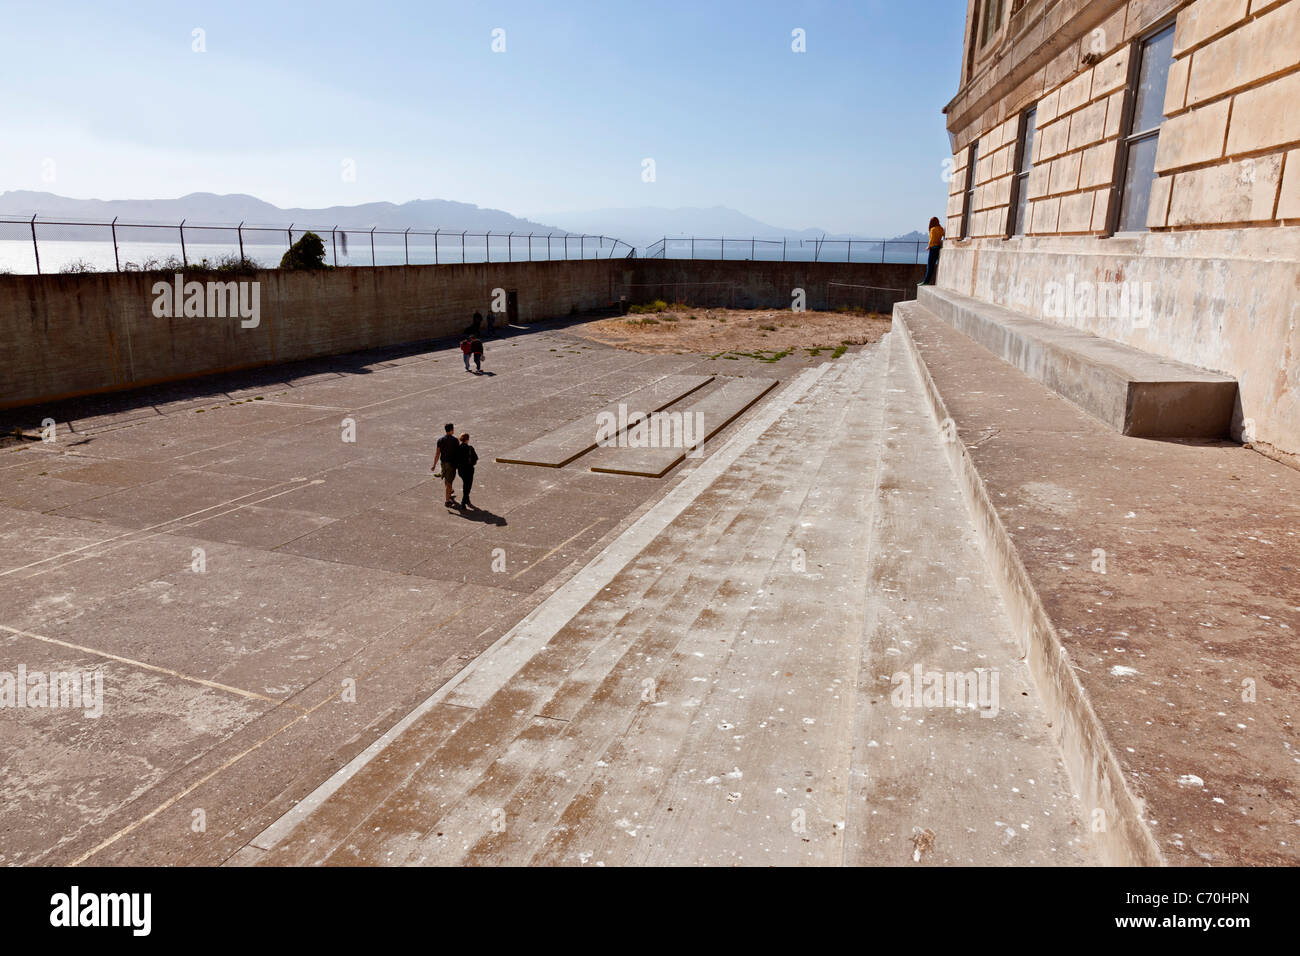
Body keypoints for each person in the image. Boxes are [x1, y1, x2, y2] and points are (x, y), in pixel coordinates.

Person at [432, 423, 461, 507]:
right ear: (451, 430)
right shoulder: (455, 440)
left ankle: (450, 491)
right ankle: (447, 501)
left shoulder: (440, 440)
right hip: (451, 464)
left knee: (446, 478)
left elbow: (437, 454)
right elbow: (458, 453)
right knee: (449, 482)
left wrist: (434, 465)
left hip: (443, 463)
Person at [457, 433, 479, 509]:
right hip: (469, 470)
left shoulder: (458, 448)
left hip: (461, 470)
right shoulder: (470, 448)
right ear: (467, 440)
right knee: (468, 486)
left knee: (465, 484)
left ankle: (467, 500)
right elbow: (475, 459)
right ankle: (463, 502)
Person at [921, 216, 945, 286]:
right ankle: (927, 281)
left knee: (930, 266)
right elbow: (943, 235)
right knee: (934, 265)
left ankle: (926, 281)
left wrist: (928, 246)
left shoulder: (932, 229)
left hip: (933, 248)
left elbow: (931, 239)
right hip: (938, 248)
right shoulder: (941, 229)